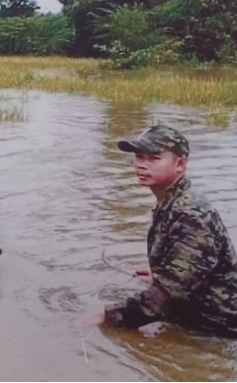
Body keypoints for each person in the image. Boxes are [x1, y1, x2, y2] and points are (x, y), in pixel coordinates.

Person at [101, 124, 237, 336]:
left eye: (154, 158)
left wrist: (106, 318)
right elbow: (187, 268)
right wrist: (162, 271)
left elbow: (166, 297)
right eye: (139, 157)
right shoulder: (172, 201)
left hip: (217, 330)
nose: (142, 165)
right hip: (198, 319)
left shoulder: (191, 214)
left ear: (180, 163)